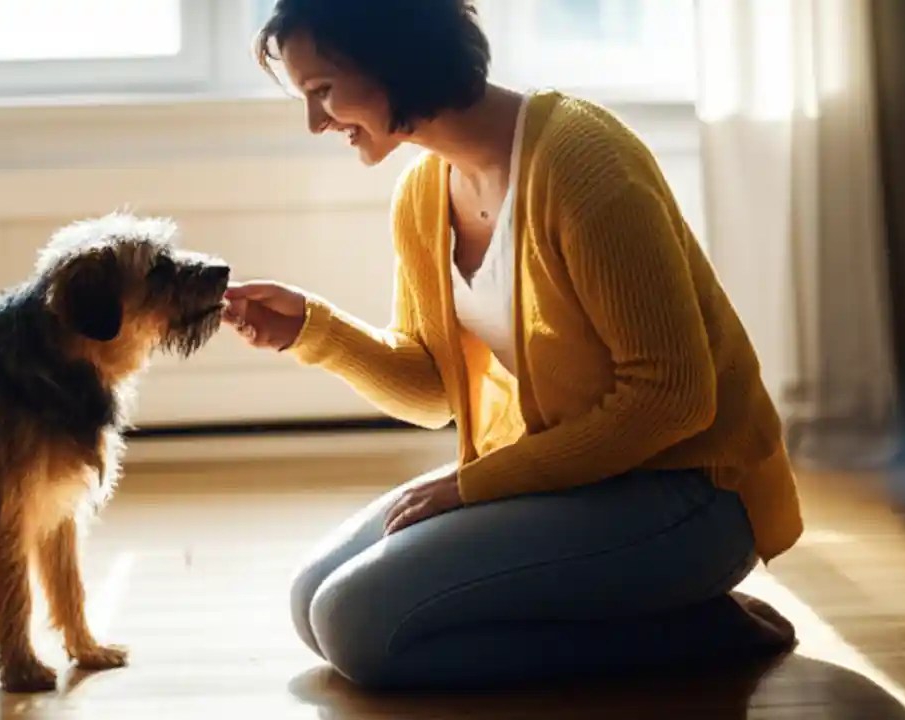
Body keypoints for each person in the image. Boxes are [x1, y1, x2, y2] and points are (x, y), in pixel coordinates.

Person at [220, 0, 803, 692]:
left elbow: (672, 400)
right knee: (310, 603)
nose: (316, 123)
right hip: (576, 483)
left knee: (358, 626)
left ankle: (692, 629)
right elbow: (434, 392)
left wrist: (473, 487)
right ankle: (625, 619)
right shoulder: (421, 193)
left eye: (321, 91)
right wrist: (311, 330)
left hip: (690, 496)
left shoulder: (583, 163)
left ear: (394, 54)